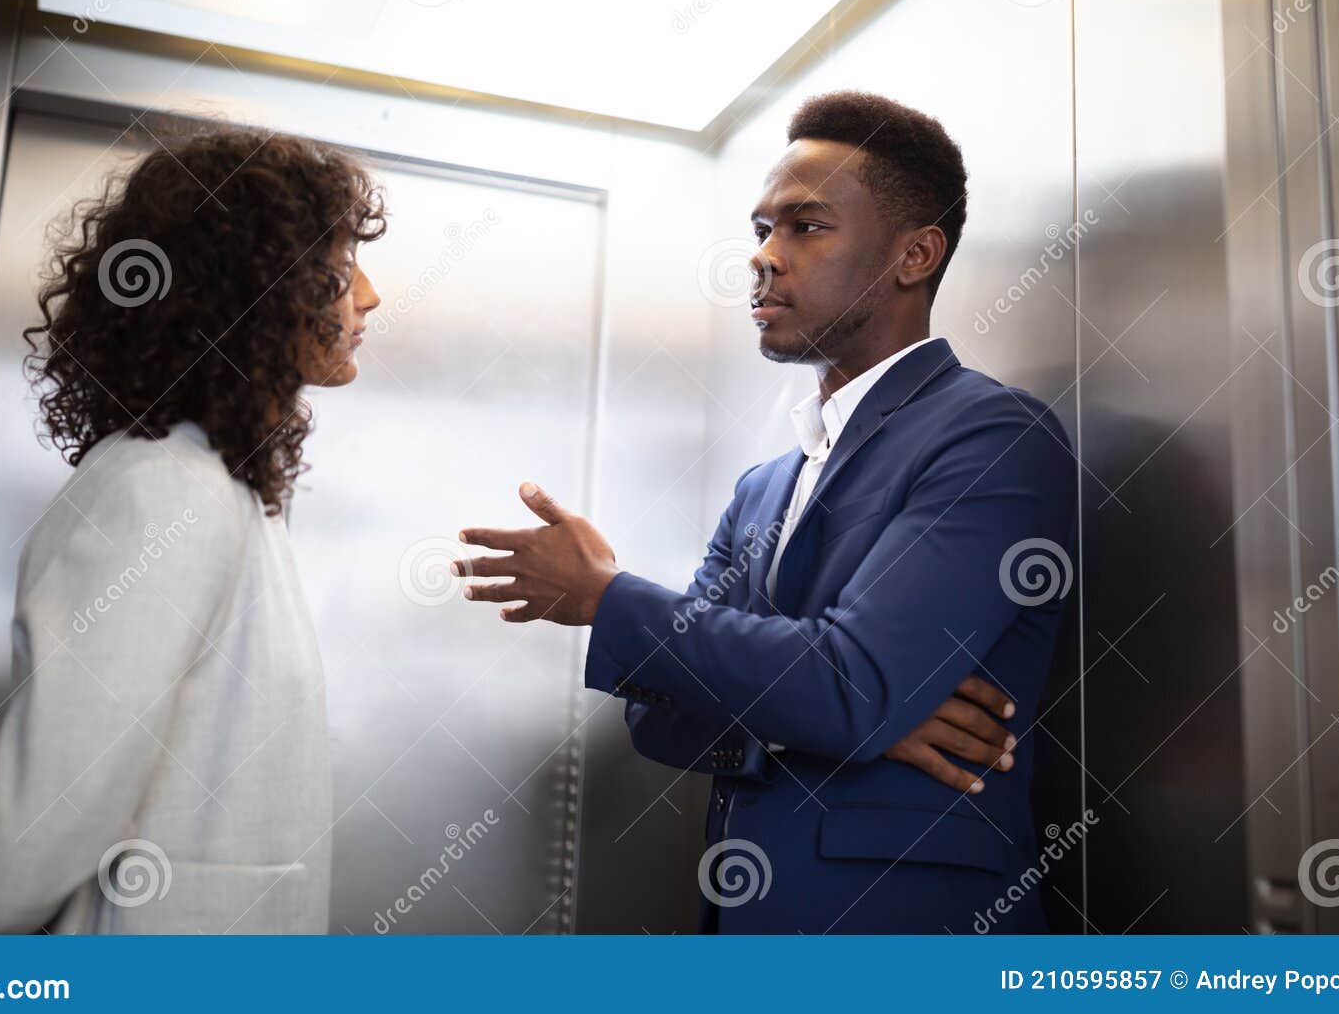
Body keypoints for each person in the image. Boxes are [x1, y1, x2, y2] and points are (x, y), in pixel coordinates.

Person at [453, 91, 1077, 933]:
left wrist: (610, 596)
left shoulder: (993, 436)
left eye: (805, 227)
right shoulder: (764, 484)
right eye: (760, 230)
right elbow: (659, 716)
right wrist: (852, 722)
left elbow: (854, 683)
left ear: (915, 254)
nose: (764, 257)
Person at [0, 127, 384, 933]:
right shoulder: (159, 489)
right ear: (249, 282)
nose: (369, 296)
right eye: (337, 264)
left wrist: (28, 828)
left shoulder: (224, 492)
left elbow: (96, 776)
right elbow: (30, 853)